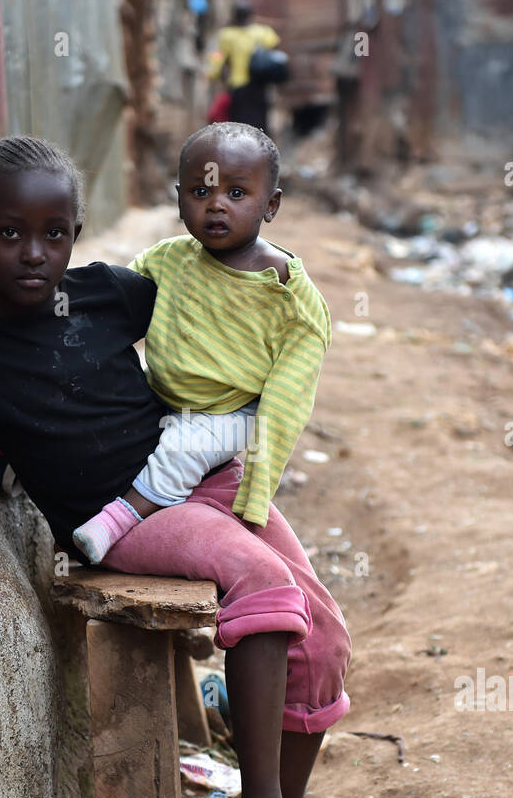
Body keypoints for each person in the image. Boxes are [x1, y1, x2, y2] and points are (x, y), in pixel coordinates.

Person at [0, 135, 443, 798]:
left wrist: (280, 288)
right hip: (116, 516)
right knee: (265, 585)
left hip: (200, 476)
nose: (34, 254)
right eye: (9, 234)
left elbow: (208, 287)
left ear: (77, 232)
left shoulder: (109, 295)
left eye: (54, 232)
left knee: (322, 633)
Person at [72, 122, 328, 569]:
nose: (215, 205)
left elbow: (289, 399)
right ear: (178, 199)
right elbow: (113, 309)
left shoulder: (285, 292)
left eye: (236, 193)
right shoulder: (166, 259)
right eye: (199, 191)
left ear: (271, 205)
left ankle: (118, 519)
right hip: (165, 396)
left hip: (234, 412)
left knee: (185, 446)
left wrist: (257, 493)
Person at [208, 0, 279, 131]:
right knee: (259, 121)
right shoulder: (262, 31)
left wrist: (213, 73)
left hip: (238, 84)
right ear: (250, 15)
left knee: (239, 124)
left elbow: (218, 56)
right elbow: (274, 46)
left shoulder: (226, 34)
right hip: (259, 84)